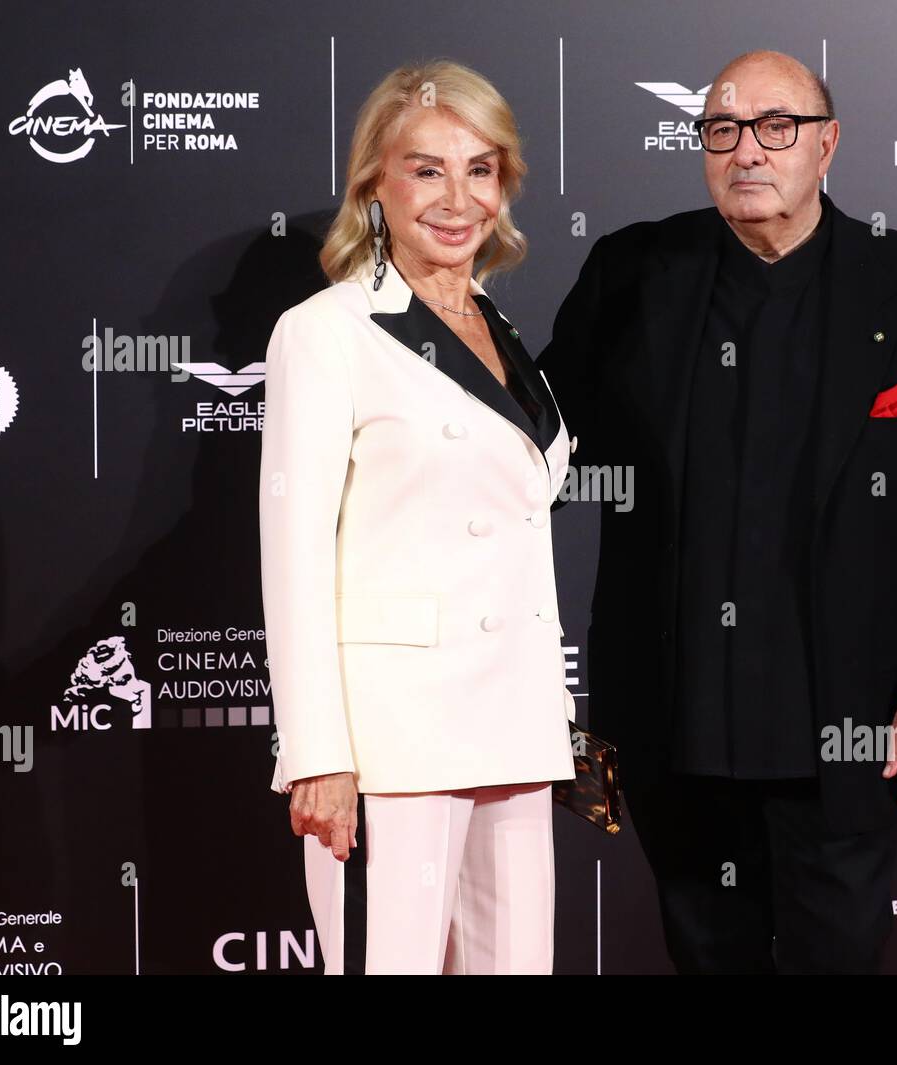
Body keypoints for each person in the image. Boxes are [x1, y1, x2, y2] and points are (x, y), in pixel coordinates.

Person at [537, 49, 897, 974]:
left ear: (827, 144)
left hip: (847, 732)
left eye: (776, 127)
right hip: (677, 730)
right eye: (723, 129)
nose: (747, 150)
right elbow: (537, 449)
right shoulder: (634, 271)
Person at [258, 59, 577, 975]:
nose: (455, 196)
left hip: (514, 729)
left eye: (479, 169)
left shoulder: (500, 328)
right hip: (393, 744)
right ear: (375, 185)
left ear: (504, 186)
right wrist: (320, 751)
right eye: (425, 168)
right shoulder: (326, 330)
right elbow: (295, 556)